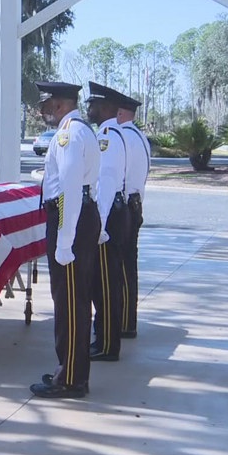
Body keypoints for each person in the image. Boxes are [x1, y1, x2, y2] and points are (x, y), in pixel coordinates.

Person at [31, 81, 100, 399]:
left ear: (59, 105)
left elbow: (71, 188)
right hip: (77, 215)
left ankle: (71, 378)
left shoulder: (68, 134)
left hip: (68, 218)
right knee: (73, 299)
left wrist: (64, 240)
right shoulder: (79, 130)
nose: (41, 110)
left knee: (70, 303)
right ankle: (68, 370)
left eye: (45, 104)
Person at [86, 82, 129, 363]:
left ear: (105, 107)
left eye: (92, 104)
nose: (88, 108)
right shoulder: (109, 133)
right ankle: (103, 339)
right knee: (104, 284)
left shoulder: (108, 137)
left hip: (108, 218)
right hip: (113, 214)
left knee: (104, 285)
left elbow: (106, 184)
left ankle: (107, 344)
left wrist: (98, 227)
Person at [117, 94, 150, 339]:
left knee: (121, 268)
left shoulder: (124, 137)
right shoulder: (139, 136)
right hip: (135, 204)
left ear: (119, 113)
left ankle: (124, 321)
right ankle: (128, 320)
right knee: (128, 265)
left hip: (126, 206)